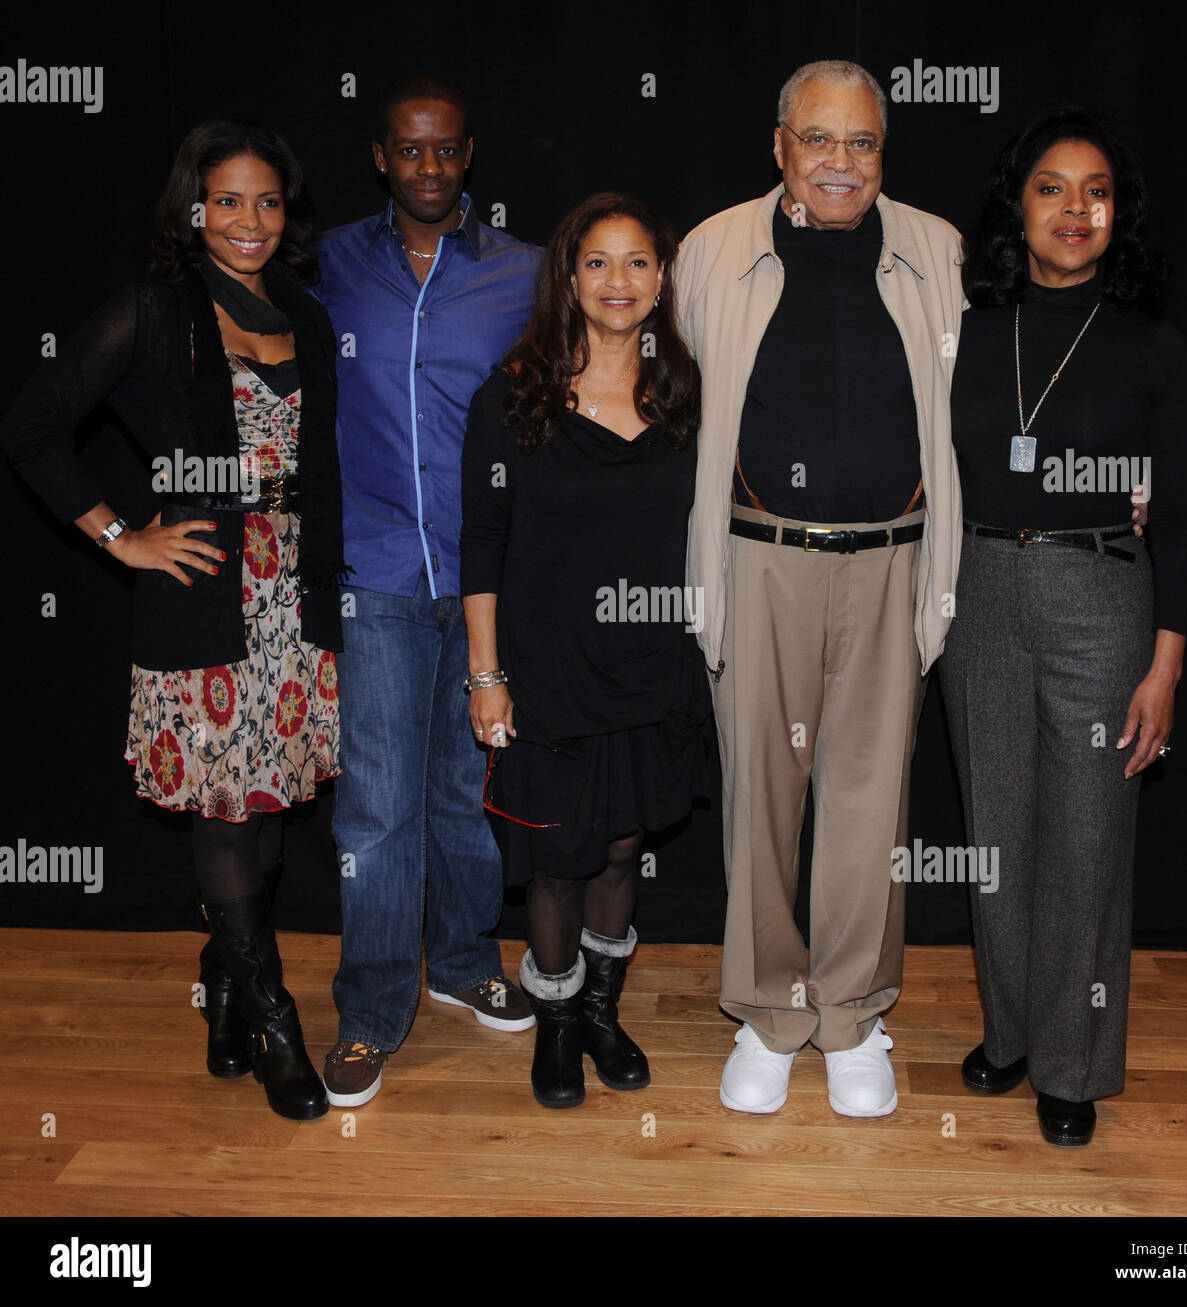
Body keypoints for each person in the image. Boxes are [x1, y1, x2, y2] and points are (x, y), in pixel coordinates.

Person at [0, 119, 347, 1121]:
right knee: (224, 817)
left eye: (267, 200)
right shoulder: (156, 311)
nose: (249, 220)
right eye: (227, 200)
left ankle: (225, 979)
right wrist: (119, 536)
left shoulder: (309, 317)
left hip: (295, 606)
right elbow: (29, 427)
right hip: (203, 604)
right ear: (193, 211)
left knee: (271, 819)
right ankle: (274, 1015)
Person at [673, 59, 965, 1117]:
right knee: (758, 792)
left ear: (883, 153)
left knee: (868, 798)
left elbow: (983, 404)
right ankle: (765, 1010)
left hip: (895, 560)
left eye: (862, 143)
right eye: (818, 139)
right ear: (779, 144)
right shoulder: (710, 250)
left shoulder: (937, 249)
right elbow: (657, 398)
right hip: (757, 559)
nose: (839, 164)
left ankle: (851, 1014)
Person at [940, 106, 1187, 1146]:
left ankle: (1070, 1060)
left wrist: (1166, 663)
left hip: (1101, 600)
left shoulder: (1154, 346)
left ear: (1115, 214)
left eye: (1094, 191)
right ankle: (1010, 1032)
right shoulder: (967, 330)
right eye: (1052, 187)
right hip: (979, 595)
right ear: (1018, 203)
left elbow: (1180, 516)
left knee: (1086, 842)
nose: (1073, 208)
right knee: (995, 836)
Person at [312, 75, 542, 1109]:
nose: (430, 168)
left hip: (485, 579)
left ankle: (460, 959)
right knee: (373, 812)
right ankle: (369, 1010)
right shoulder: (329, 265)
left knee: (463, 790)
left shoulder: (523, 273)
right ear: (380, 157)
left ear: (469, 154)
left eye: (446, 150)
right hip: (374, 572)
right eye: (410, 151)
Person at [460, 193, 710, 1109]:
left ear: (661, 278)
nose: (618, 281)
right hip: (549, 672)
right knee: (560, 862)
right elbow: (480, 538)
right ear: (568, 278)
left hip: (652, 668)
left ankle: (603, 1010)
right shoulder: (516, 392)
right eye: (598, 262)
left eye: (638, 262)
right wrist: (487, 676)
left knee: (620, 851)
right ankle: (557, 1025)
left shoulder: (685, 392)